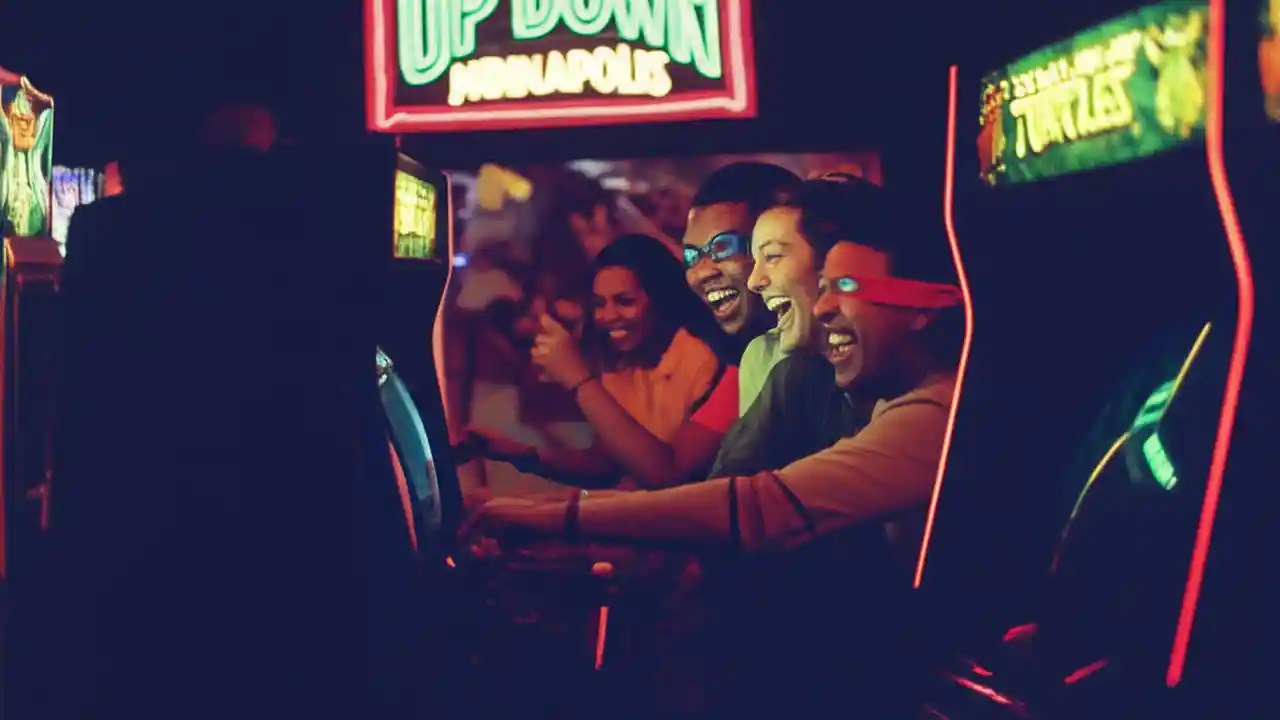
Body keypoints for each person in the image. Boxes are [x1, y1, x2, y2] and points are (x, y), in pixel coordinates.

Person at [463, 223, 964, 716]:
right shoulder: (875, 397)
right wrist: (536, 489)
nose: (823, 305)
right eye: (825, 287)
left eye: (846, 287)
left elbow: (746, 502)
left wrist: (561, 515)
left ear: (923, 308)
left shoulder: (935, 413)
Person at [466, 234, 727, 488]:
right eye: (600, 304)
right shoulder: (624, 360)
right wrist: (518, 454)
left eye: (624, 301)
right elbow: (609, 463)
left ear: (661, 298)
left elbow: (667, 475)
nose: (608, 316)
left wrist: (578, 378)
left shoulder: (704, 359)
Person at [708, 175, 890, 478]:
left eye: (773, 256)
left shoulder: (907, 375)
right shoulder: (787, 369)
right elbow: (736, 491)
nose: (754, 282)